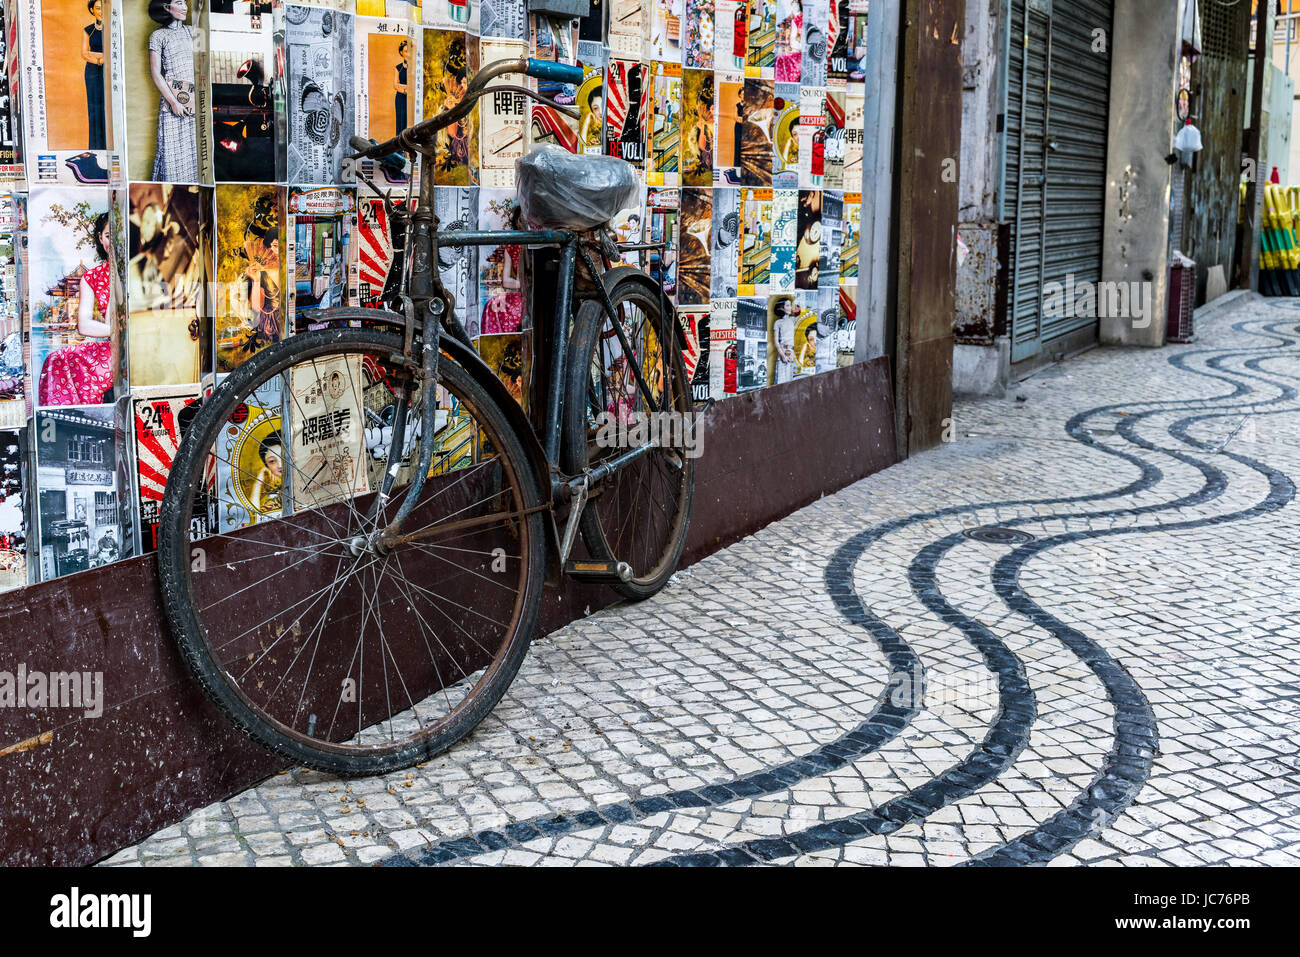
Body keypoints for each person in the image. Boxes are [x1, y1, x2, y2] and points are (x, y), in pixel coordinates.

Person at [38, 213, 116, 406]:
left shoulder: (144, 268)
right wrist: (119, 332)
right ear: (100, 238)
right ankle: (69, 424)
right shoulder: (92, 277)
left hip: (142, 345)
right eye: (108, 236)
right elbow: (85, 325)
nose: (114, 243)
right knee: (56, 359)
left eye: (119, 237)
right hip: (115, 345)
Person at [148, 0, 198, 183]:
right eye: (179, 2)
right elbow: (155, 73)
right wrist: (173, 102)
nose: (185, 7)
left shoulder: (193, 32)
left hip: (195, 102)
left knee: (194, 153)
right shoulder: (158, 36)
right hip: (172, 104)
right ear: (166, 8)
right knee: (172, 153)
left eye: (185, 2)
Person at [82, 0, 106, 151]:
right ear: (92, 10)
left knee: (106, 107)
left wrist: (100, 57)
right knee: (94, 108)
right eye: (97, 8)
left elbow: (112, 51)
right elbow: (84, 53)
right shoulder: (88, 30)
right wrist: (101, 59)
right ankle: (95, 148)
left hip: (109, 70)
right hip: (92, 71)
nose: (101, 10)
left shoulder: (112, 28)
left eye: (103, 7)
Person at [250, 431, 283, 513]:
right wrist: (258, 482)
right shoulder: (277, 495)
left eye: (283, 456)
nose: (280, 465)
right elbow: (254, 515)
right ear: (267, 466)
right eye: (272, 461)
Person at [772, 297, 797, 384]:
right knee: (781, 379)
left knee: (790, 380)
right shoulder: (778, 322)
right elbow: (776, 341)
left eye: (790, 305)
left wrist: (792, 353)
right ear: (782, 308)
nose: (790, 307)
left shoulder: (793, 320)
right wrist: (782, 354)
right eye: (787, 305)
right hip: (783, 351)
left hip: (792, 352)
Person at [394, 40, 409, 137]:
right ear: (401, 53)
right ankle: (399, 149)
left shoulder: (415, 67)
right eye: (406, 51)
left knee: (409, 123)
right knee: (400, 122)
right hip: (400, 98)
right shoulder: (398, 68)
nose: (408, 53)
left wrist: (407, 88)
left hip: (410, 99)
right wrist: (405, 90)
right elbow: (395, 85)